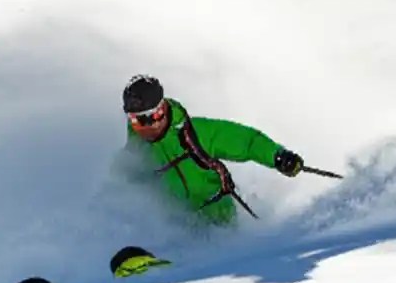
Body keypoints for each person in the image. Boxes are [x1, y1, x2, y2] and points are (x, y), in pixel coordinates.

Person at [120, 74, 304, 225]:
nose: (139, 127)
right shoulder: (137, 149)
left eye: (143, 120)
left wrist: (277, 156)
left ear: (160, 112)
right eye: (133, 120)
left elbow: (246, 141)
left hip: (218, 224)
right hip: (176, 228)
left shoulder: (197, 133)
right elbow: (123, 183)